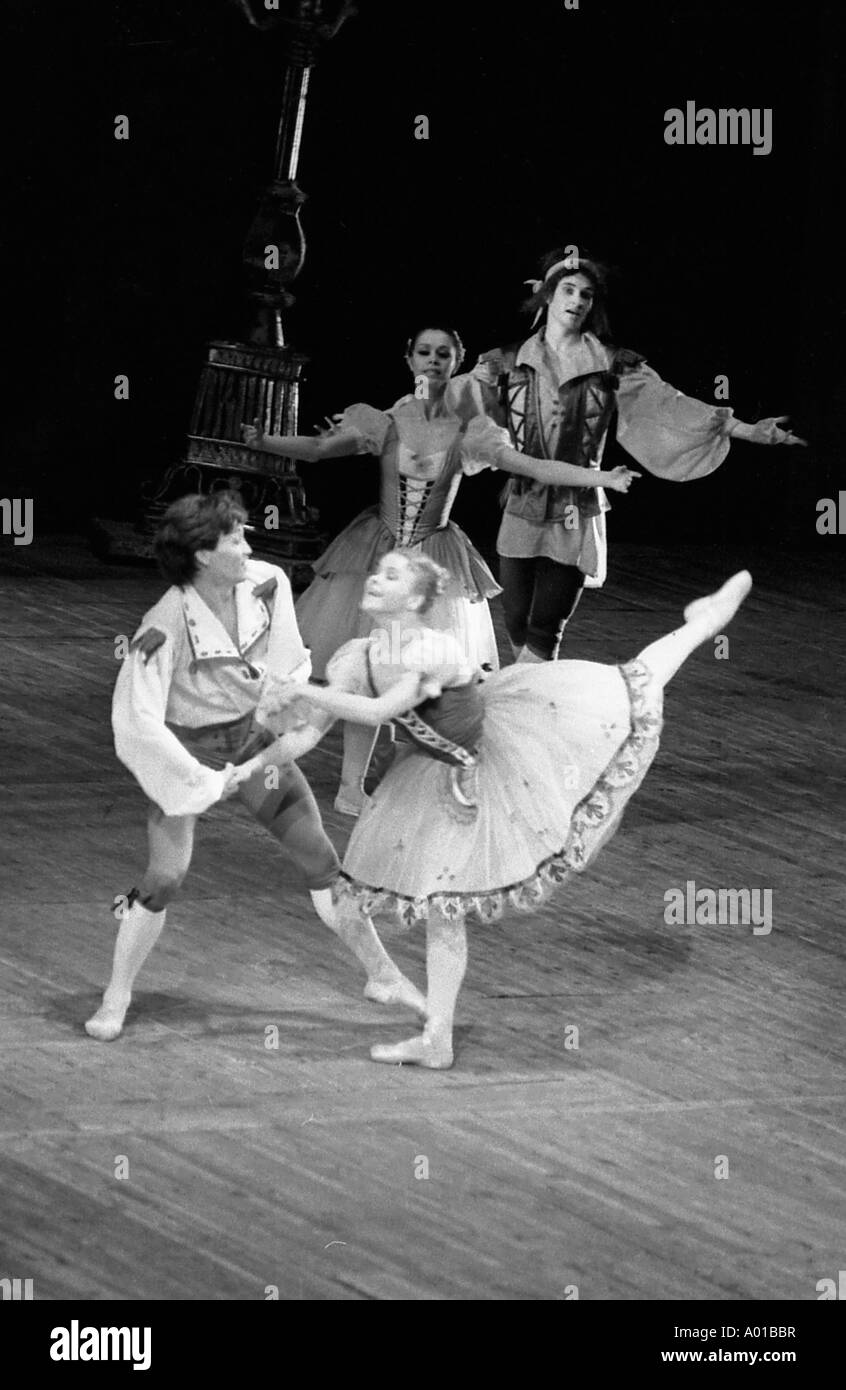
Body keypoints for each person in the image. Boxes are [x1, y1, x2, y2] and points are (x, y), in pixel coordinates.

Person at [254, 548, 754, 1070]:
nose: (376, 579)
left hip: (486, 764)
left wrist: (298, 690)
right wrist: (249, 766)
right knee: (387, 906)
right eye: (377, 571)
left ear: (420, 598)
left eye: (392, 575)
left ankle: (706, 621)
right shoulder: (355, 657)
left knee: (628, 684)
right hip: (420, 775)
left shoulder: (435, 650)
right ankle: (405, 999)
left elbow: (382, 711)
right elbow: (311, 734)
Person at [243, 325, 639, 813]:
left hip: (432, 562)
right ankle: (351, 787)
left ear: (458, 362)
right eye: (425, 352)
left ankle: (410, 785)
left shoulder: (471, 429)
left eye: (444, 354)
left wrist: (601, 476)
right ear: (409, 359)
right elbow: (321, 450)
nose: (433, 361)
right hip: (380, 554)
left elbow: (534, 467)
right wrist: (265, 440)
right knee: (370, 667)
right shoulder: (383, 422)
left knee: (423, 680)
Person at [84, 493, 425, 1042]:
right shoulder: (164, 623)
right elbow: (136, 718)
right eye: (235, 539)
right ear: (201, 556)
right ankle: (117, 992)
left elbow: (287, 657)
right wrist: (196, 779)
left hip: (253, 742)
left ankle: (382, 974)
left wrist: (280, 704)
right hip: (189, 752)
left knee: (321, 859)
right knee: (165, 876)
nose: (249, 546)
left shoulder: (267, 582)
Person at [472, 246, 806, 662]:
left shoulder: (612, 365)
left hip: (576, 509)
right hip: (522, 504)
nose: (577, 301)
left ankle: (526, 709)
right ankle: (529, 702)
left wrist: (745, 430)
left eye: (586, 294)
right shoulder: (506, 362)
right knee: (517, 623)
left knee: (544, 631)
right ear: (547, 296)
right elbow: (458, 404)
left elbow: (670, 405)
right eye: (569, 290)